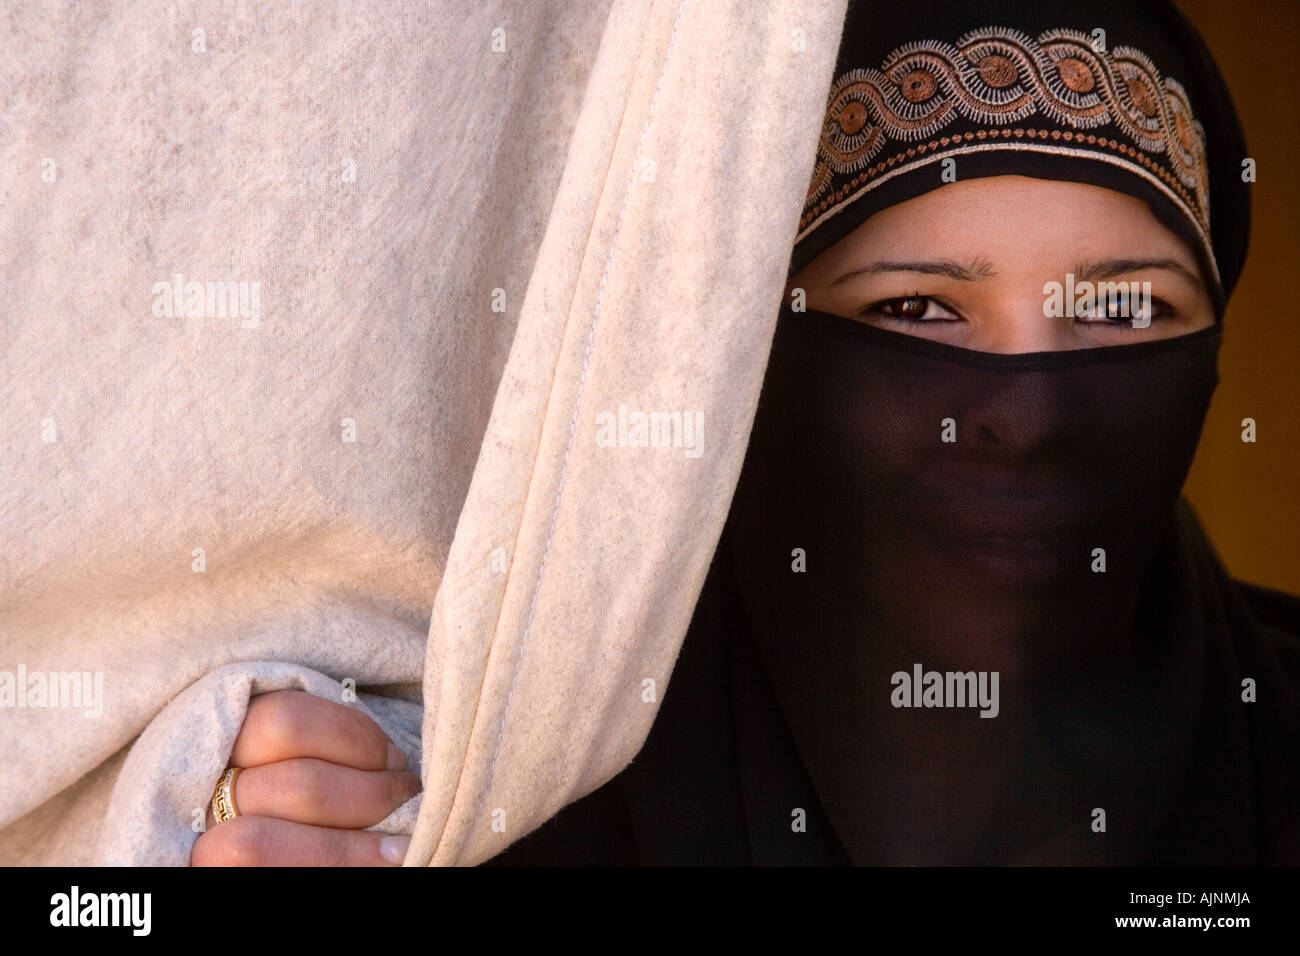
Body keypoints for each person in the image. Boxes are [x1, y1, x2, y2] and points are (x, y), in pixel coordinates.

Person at [483, 0, 1300, 865]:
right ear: (750, 348)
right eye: (914, 307)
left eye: (1125, 307)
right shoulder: (521, 785)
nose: (1028, 420)